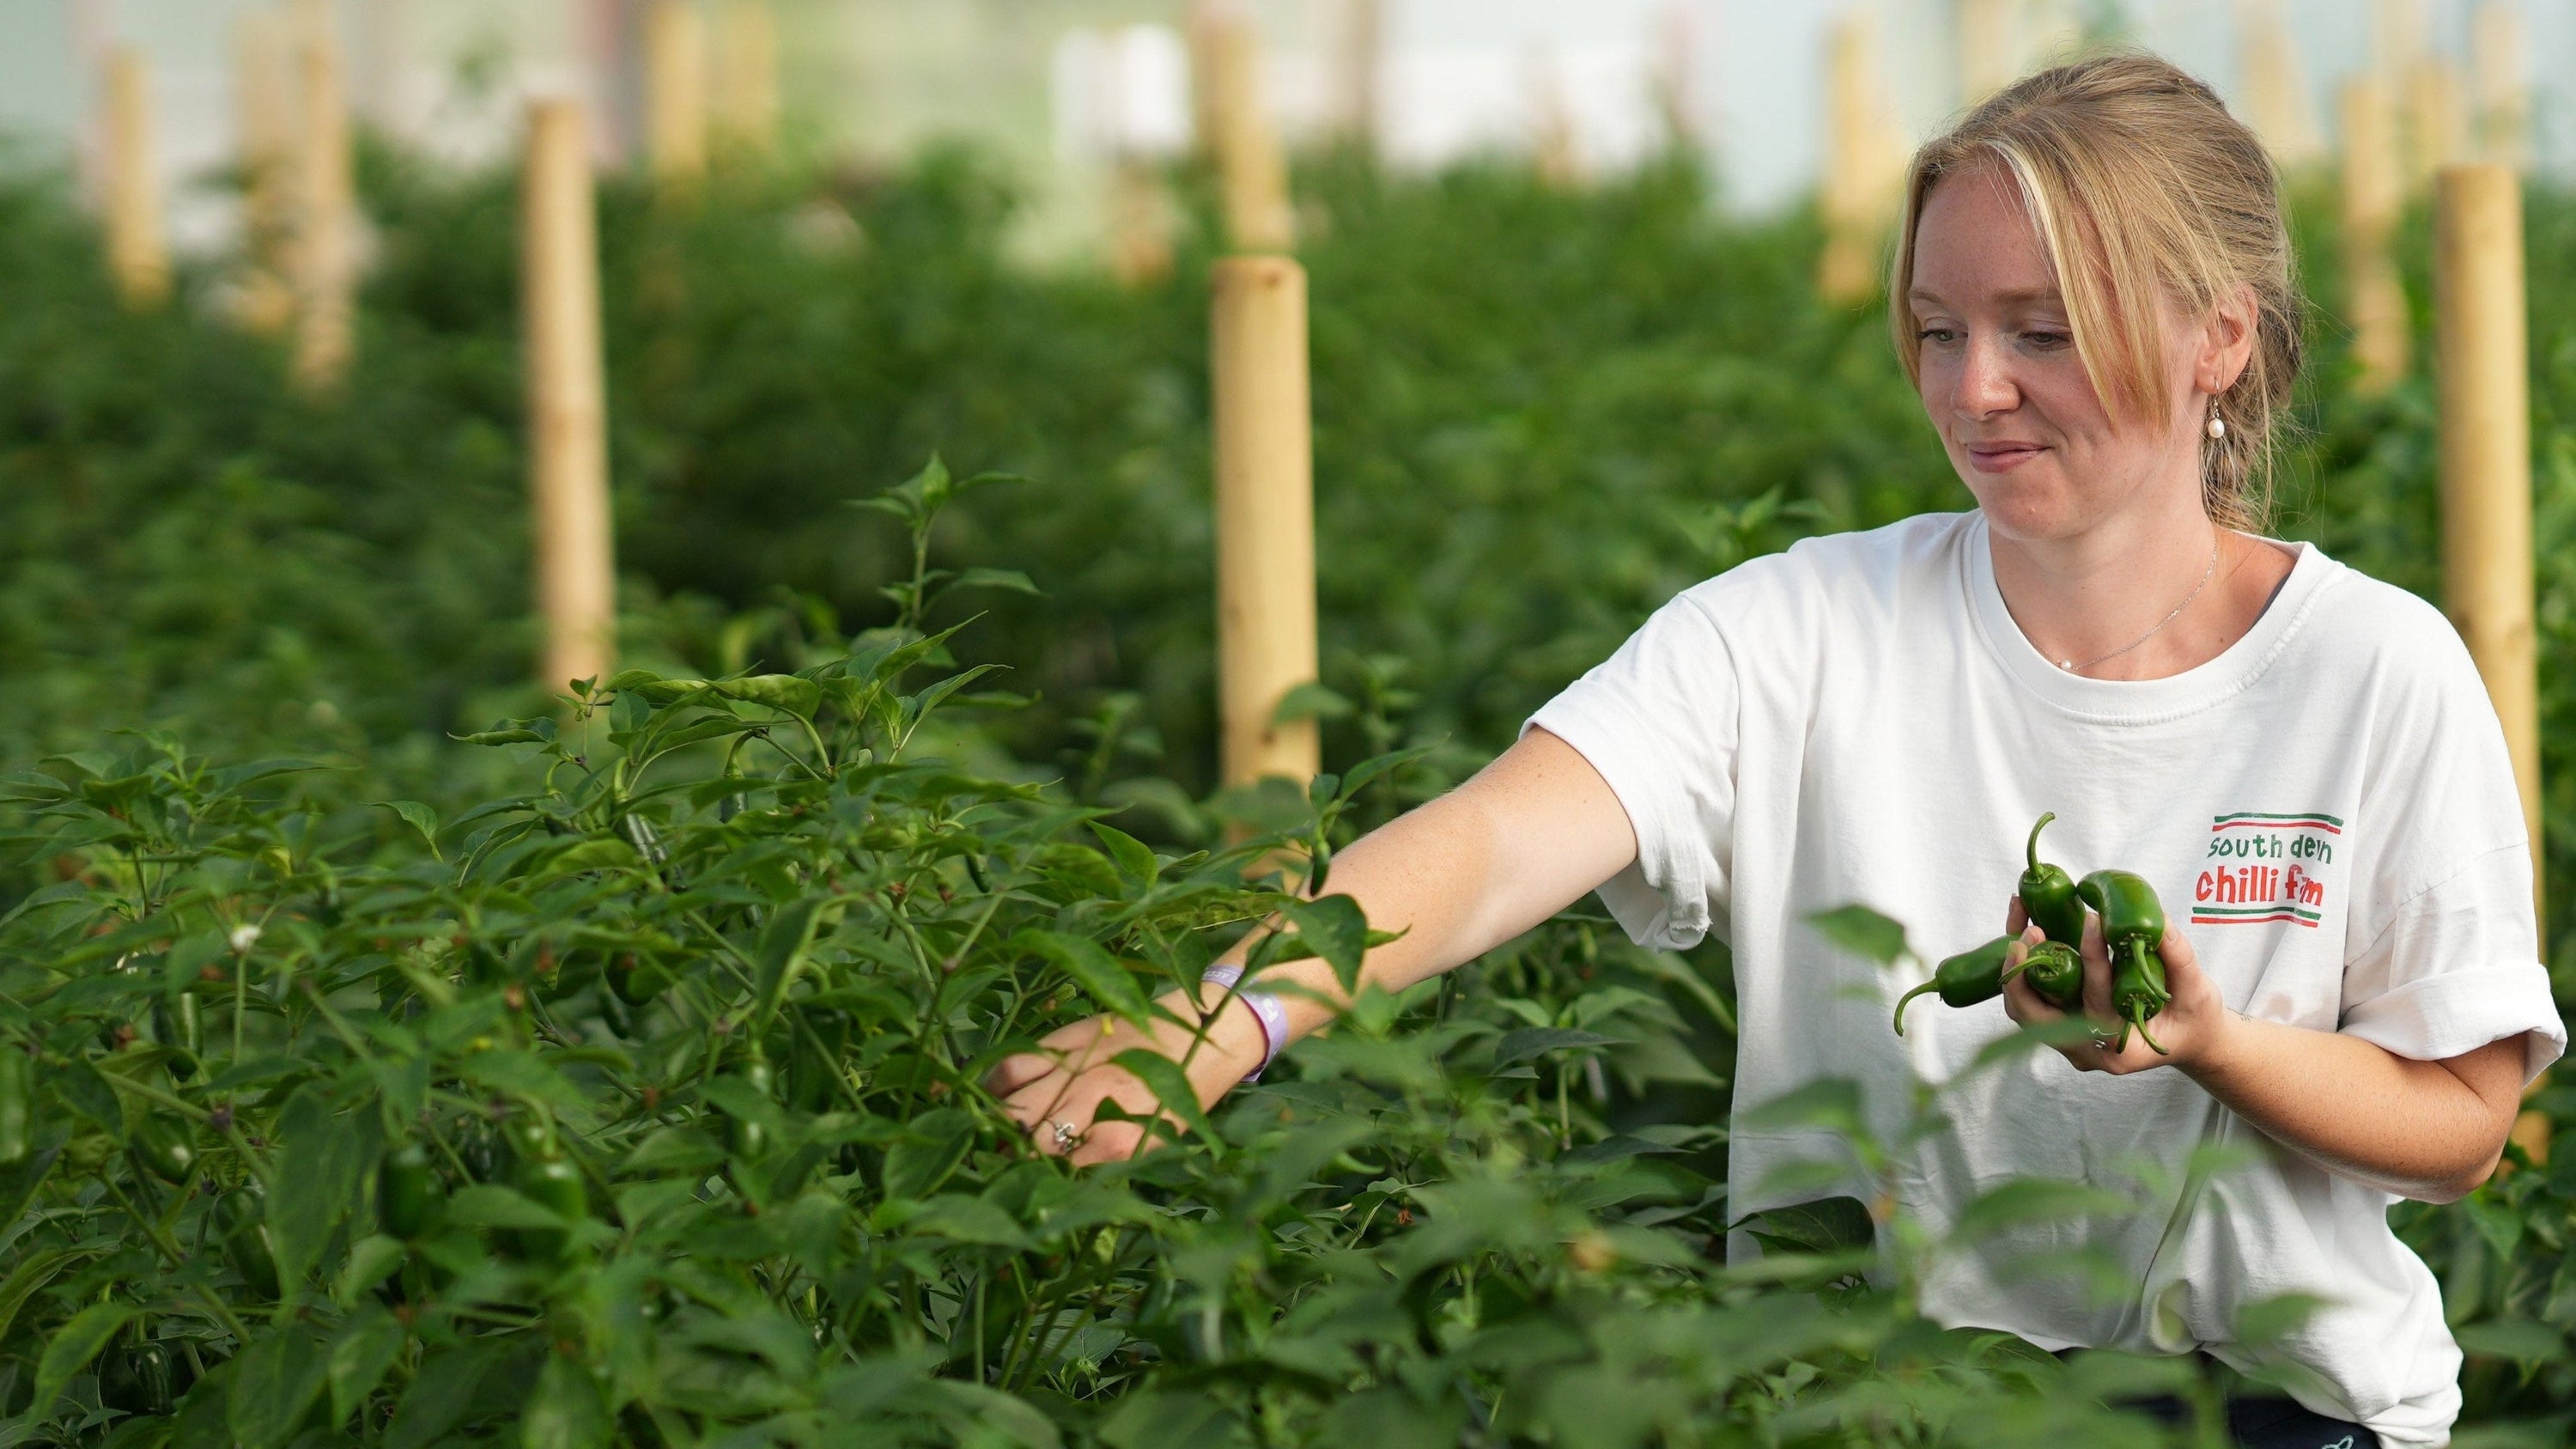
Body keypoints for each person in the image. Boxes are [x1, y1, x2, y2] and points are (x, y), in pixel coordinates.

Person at [985, 52, 2562, 1449]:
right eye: (1938, 329)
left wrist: (2214, 1043)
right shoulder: (1801, 630)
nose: (1974, 389)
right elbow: (1489, 845)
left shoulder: (2372, 671)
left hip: (2272, 1419)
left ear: (2218, 337)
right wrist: (1223, 1017)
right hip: (1876, 1401)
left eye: (2042, 332)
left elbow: (2462, 1123)